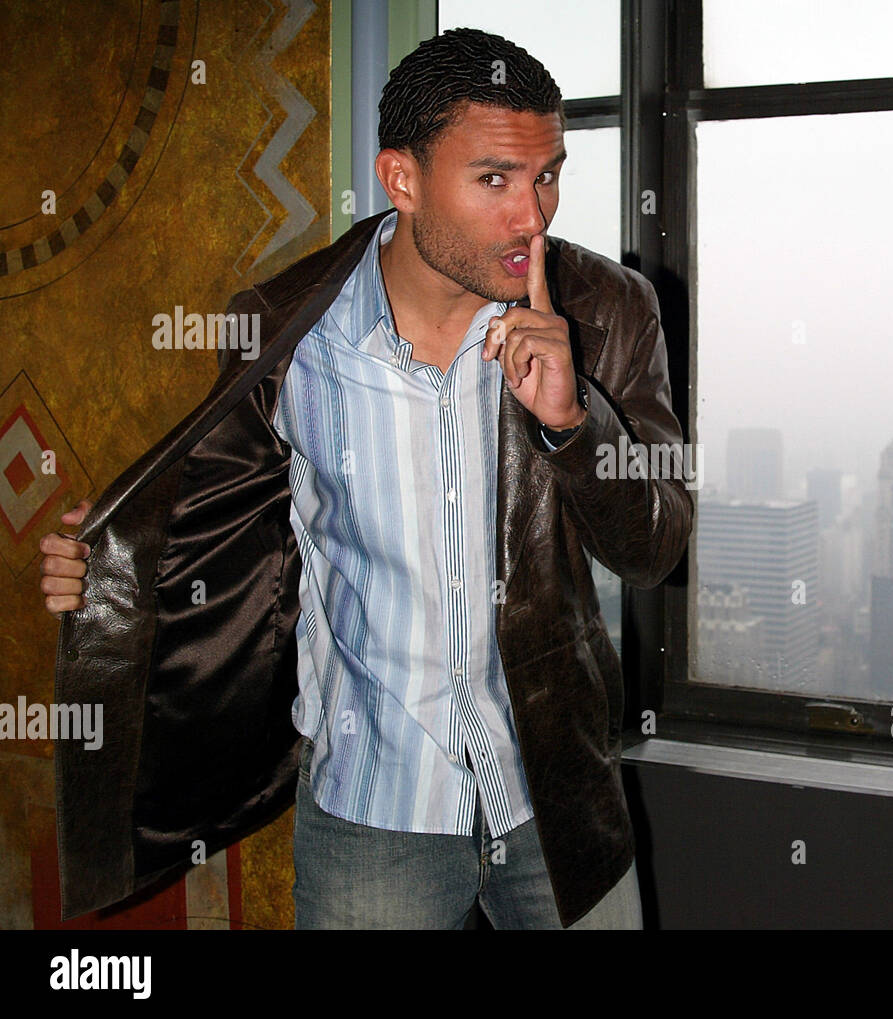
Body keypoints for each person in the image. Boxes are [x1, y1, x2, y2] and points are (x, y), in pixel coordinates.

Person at [38, 28, 692, 929]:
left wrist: (573, 424)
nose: (532, 216)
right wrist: (105, 567)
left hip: (556, 797)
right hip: (372, 810)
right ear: (401, 179)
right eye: (494, 179)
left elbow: (656, 547)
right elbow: (221, 524)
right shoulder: (285, 333)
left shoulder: (606, 311)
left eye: (547, 175)